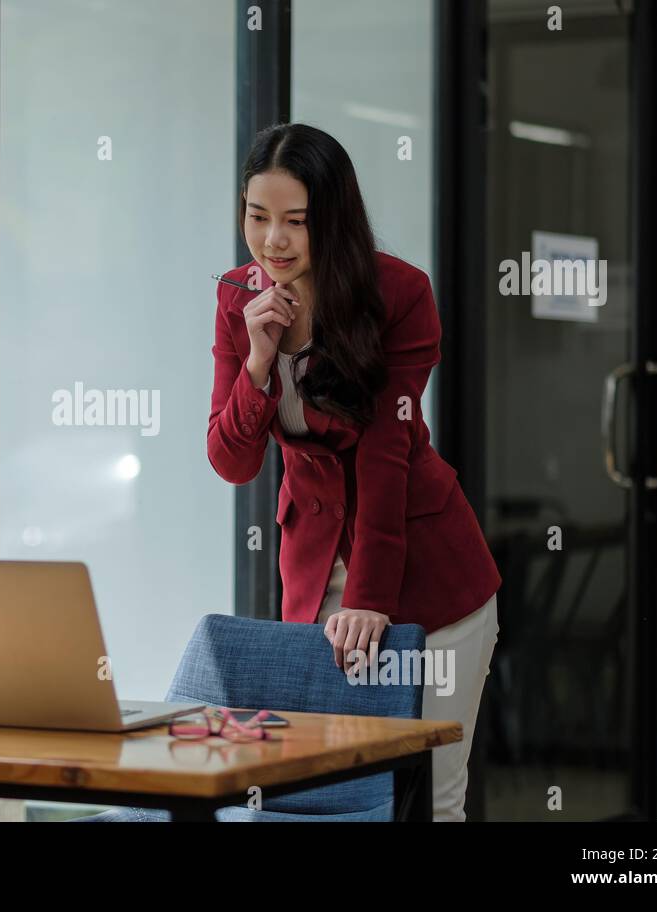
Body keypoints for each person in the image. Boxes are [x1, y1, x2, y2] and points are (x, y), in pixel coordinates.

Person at [207, 123, 502, 822]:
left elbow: (386, 455)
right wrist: (257, 362)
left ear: (331, 219)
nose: (272, 240)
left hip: (429, 580)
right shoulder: (236, 300)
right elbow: (231, 460)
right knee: (320, 798)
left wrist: (368, 597)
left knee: (426, 800)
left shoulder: (399, 293)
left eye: (295, 222)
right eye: (257, 217)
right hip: (315, 577)